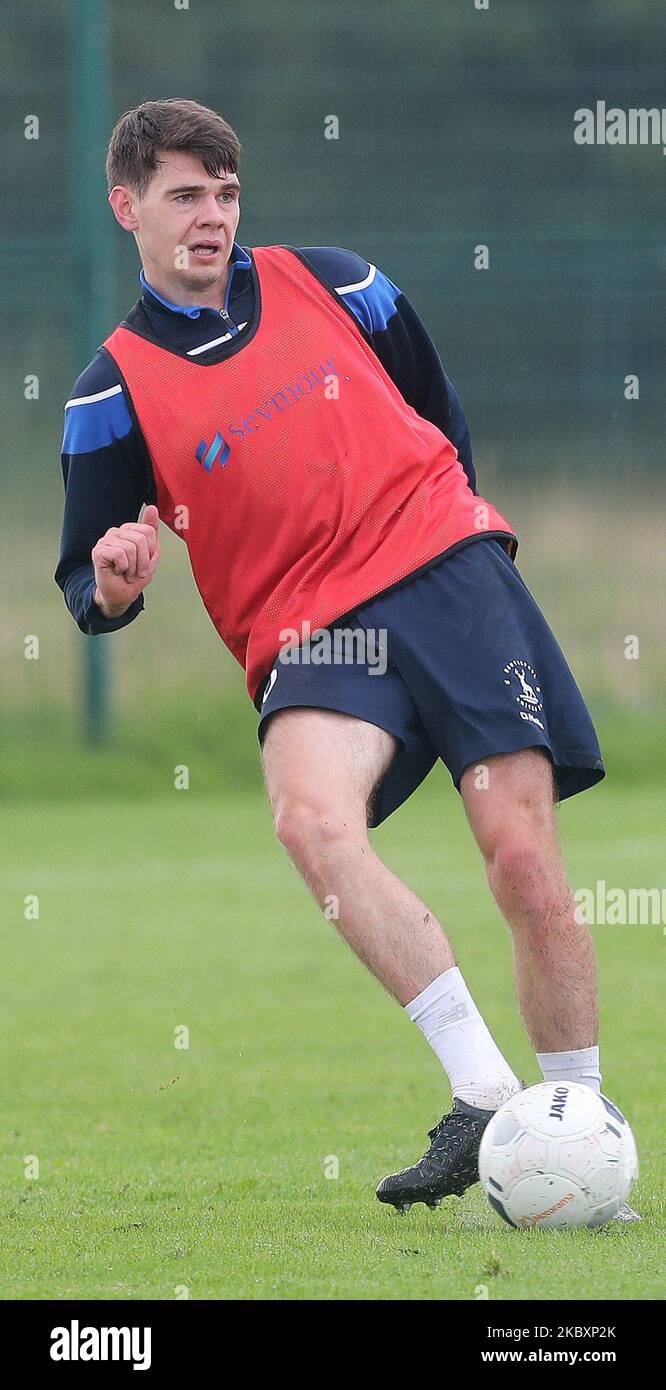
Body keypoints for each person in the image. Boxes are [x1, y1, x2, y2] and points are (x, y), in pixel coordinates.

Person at [55, 99, 636, 1220]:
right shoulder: (107, 390)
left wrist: (460, 529)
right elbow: (86, 582)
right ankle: (482, 1092)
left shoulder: (340, 281)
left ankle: (579, 1132)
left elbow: (433, 406)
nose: (212, 215)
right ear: (127, 208)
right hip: (312, 629)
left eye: (226, 193)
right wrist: (116, 577)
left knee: (521, 857)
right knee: (308, 816)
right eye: (185, 195)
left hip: (447, 570)